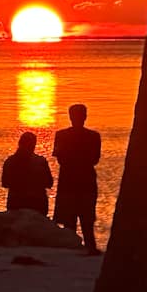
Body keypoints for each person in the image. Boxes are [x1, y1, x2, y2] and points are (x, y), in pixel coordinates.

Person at [53, 103, 101, 254]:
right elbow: (94, 159)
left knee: (73, 219)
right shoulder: (93, 136)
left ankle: (74, 248)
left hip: (70, 179)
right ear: (85, 117)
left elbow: (60, 158)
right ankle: (88, 247)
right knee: (85, 219)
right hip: (83, 180)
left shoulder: (61, 135)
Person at [1, 132, 54, 216]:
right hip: (37, 203)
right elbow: (49, 183)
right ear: (33, 145)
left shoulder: (9, 161)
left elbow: (5, 183)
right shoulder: (40, 161)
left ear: (20, 144)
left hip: (15, 203)